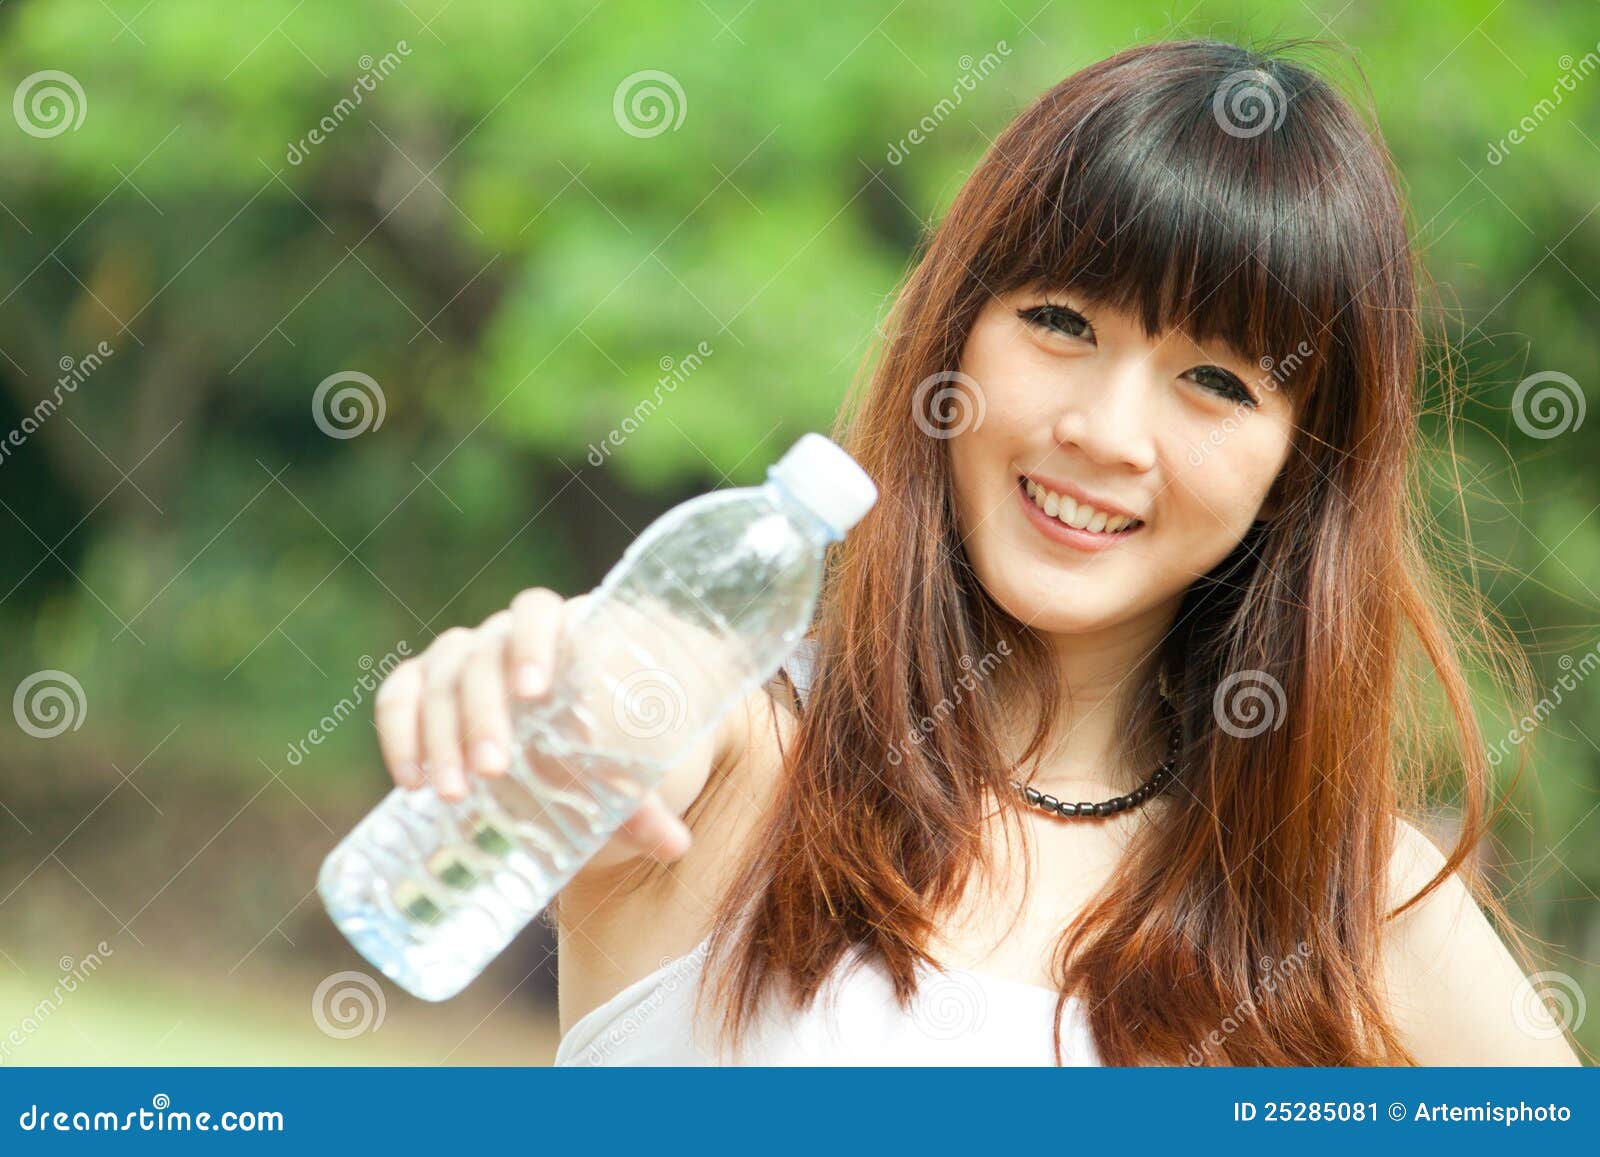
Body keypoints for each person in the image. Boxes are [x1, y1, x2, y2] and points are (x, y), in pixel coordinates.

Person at [372, 39, 1585, 1066]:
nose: (1104, 432)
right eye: (1060, 322)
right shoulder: (746, 758)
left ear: (1299, 469)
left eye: (1213, 381)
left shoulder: (1350, 898)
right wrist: (533, 681)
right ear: (956, 335)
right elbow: (633, 689)